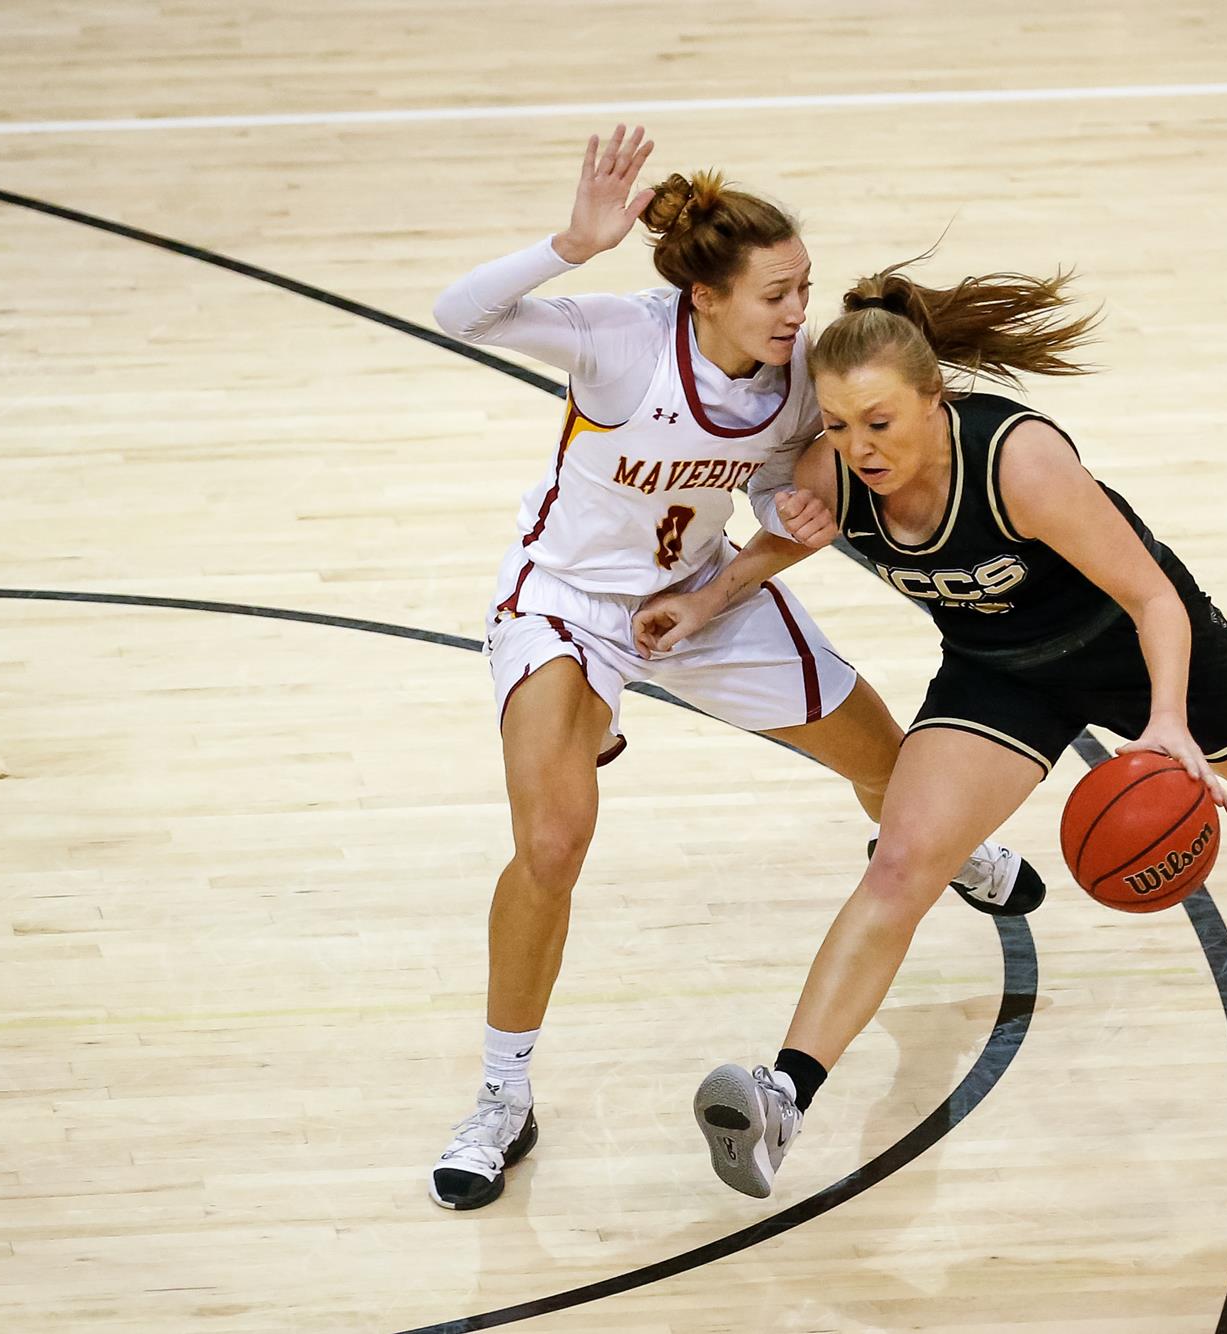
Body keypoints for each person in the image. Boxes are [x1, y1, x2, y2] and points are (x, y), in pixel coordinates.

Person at [632, 259, 1227, 1200]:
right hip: (998, 670)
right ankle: (783, 1095)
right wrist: (708, 597)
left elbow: (1151, 597)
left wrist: (1169, 722)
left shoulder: (1019, 461)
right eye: (841, 424)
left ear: (936, 400)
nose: (861, 447)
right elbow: (783, 538)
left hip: (1137, 647)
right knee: (901, 862)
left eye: (880, 422)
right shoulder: (833, 473)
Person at [422, 131, 1044, 1211]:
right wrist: (570, 245)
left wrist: (788, 509)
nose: (798, 310)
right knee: (552, 841)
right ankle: (500, 1097)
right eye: (776, 293)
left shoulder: (799, 379)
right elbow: (457, 314)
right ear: (704, 297)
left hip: (702, 595)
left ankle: (942, 846)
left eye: (803, 286)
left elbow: (775, 493)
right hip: (567, 599)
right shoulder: (625, 341)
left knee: (888, 764)